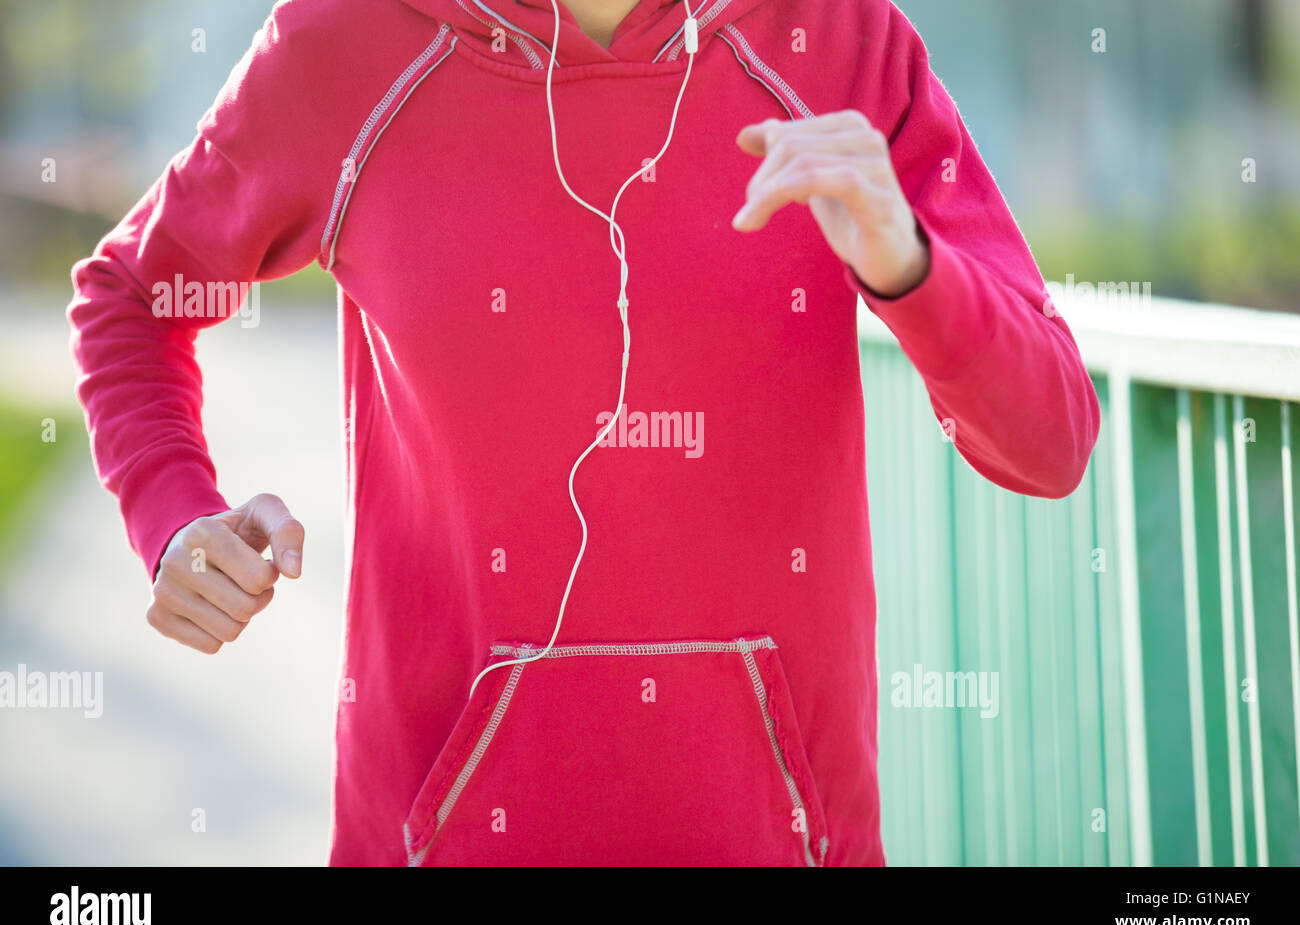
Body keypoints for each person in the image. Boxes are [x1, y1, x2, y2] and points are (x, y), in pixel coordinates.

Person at [67, 0, 1100, 866]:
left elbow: (1049, 441)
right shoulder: (345, 39)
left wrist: (909, 264)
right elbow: (130, 293)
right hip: (435, 839)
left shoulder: (836, 39)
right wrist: (173, 511)